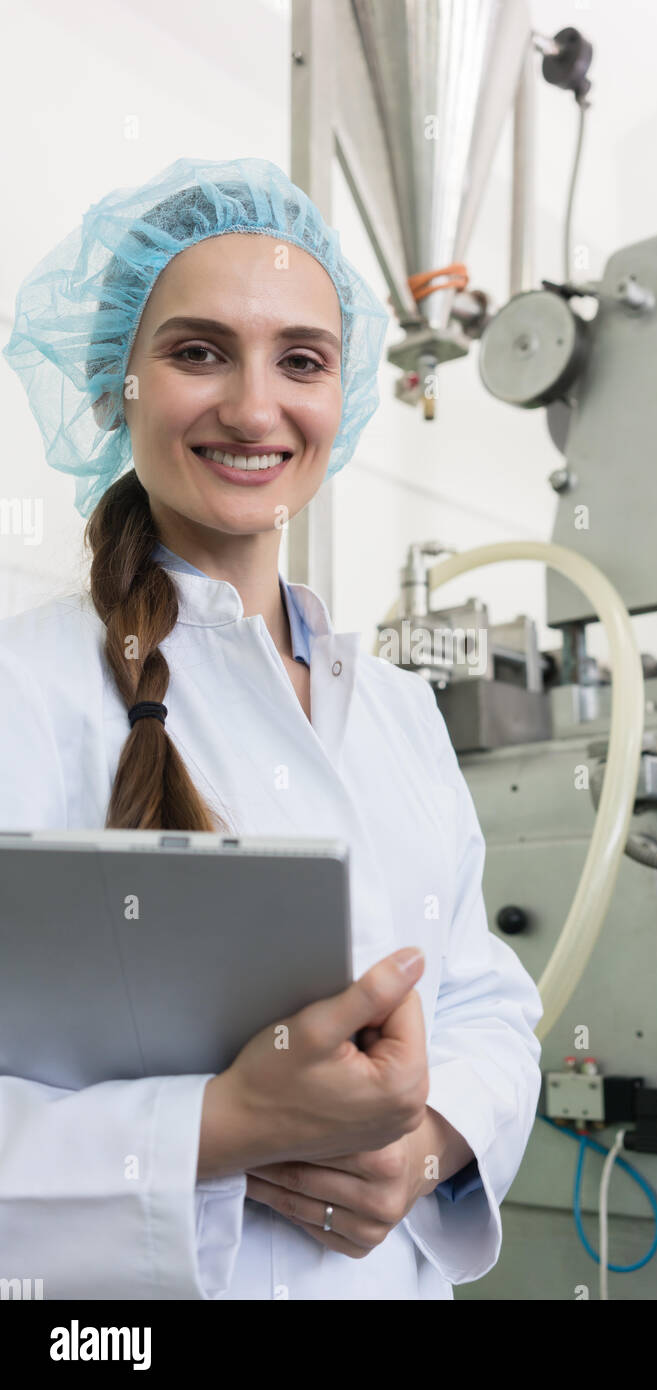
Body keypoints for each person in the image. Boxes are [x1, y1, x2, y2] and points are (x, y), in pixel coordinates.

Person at [0, 155, 543, 1300]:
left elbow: (487, 1003)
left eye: (301, 360)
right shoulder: (24, 690)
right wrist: (220, 1127)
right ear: (116, 384)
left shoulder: (398, 712)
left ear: (343, 396)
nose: (255, 410)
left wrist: (424, 1148)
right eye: (199, 352)